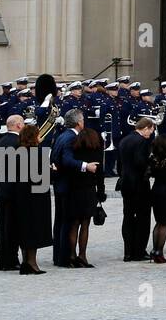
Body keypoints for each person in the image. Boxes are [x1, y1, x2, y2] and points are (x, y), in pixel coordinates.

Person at [51, 110, 98, 268]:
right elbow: (67, 160)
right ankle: (65, 257)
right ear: (79, 123)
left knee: (61, 222)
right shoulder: (71, 137)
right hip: (68, 185)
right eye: (83, 119)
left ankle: (59, 256)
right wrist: (86, 166)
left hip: (60, 184)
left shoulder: (61, 135)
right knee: (68, 223)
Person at [63, 126, 106, 268]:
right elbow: (100, 175)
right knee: (85, 224)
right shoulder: (96, 152)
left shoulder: (74, 149)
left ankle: (71, 255)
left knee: (74, 224)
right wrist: (101, 193)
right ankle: (82, 255)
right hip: (88, 190)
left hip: (74, 189)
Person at [13, 124, 52, 274]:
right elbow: (43, 178)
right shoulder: (36, 153)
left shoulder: (17, 152)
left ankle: (25, 262)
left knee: (24, 229)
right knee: (34, 230)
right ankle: (31, 263)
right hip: (36, 197)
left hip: (21, 195)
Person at [116, 114, 155, 262]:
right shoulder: (142, 142)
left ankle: (128, 251)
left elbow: (120, 164)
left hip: (126, 182)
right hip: (139, 184)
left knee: (128, 217)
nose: (150, 134)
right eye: (150, 131)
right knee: (143, 218)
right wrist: (150, 165)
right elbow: (140, 163)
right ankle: (139, 251)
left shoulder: (125, 140)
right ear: (145, 128)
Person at [0, 114, 24, 271]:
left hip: (1, 189)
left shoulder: (1, 140)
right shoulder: (19, 142)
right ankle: (11, 259)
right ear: (18, 125)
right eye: (23, 123)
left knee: (3, 228)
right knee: (13, 227)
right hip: (14, 190)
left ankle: (3, 260)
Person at [147, 134, 166, 263]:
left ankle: (155, 249)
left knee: (158, 222)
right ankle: (159, 251)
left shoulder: (153, 159)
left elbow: (149, 173)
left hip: (156, 189)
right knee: (164, 223)